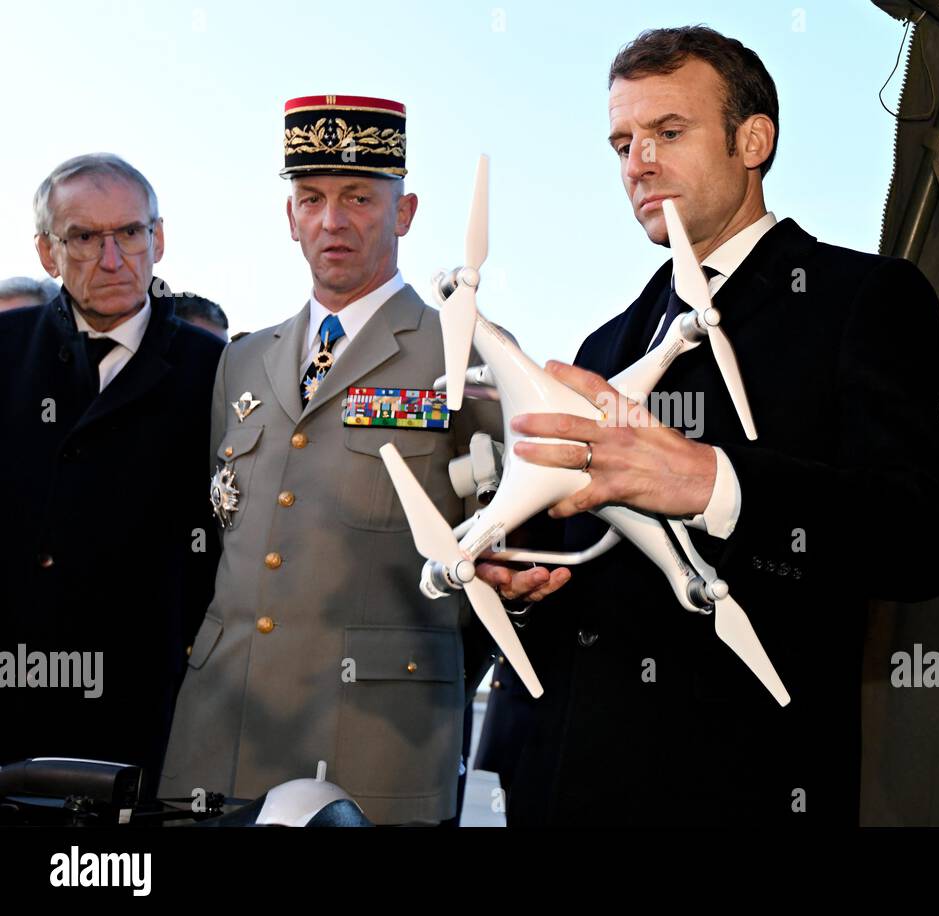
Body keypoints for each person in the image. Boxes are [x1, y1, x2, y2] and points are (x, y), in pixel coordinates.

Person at [490, 26, 939, 826]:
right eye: (622, 142)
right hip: (577, 789)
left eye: (667, 133)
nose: (637, 162)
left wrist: (715, 484)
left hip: (747, 788)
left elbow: (920, 538)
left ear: (754, 140)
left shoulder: (865, 298)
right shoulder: (604, 345)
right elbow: (593, 564)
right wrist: (527, 583)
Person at [159, 95, 564, 825]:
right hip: (221, 731)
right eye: (310, 198)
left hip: (377, 740)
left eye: (357, 198)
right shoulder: (243, 361)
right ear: (289, 217)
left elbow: (498, 553)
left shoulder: (468, 351)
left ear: (404, 211)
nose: (331, 221)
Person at [0, 154, 224, 799]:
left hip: (150, 715)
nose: (112, 257)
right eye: (84, 237)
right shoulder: (5, 351)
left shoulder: (219, 370)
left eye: (130, 233)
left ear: (159, 239)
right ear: (47, 252)